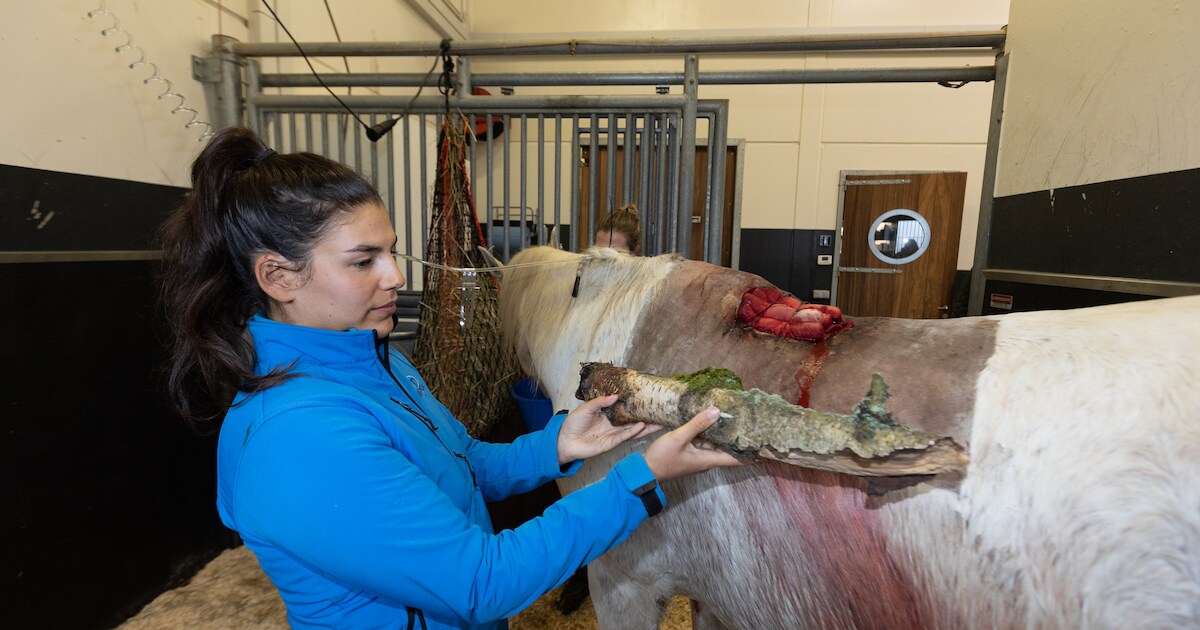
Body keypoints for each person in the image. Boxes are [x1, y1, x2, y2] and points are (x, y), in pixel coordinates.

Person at [157, 127, 741, 630]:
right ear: (278, 277)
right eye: (363, 261)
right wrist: (640, 481)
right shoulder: (298, 434)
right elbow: (481, 580)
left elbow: (461, 463)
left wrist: (557, 445)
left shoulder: (377, 361)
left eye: (391, 251)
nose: (393, 276)